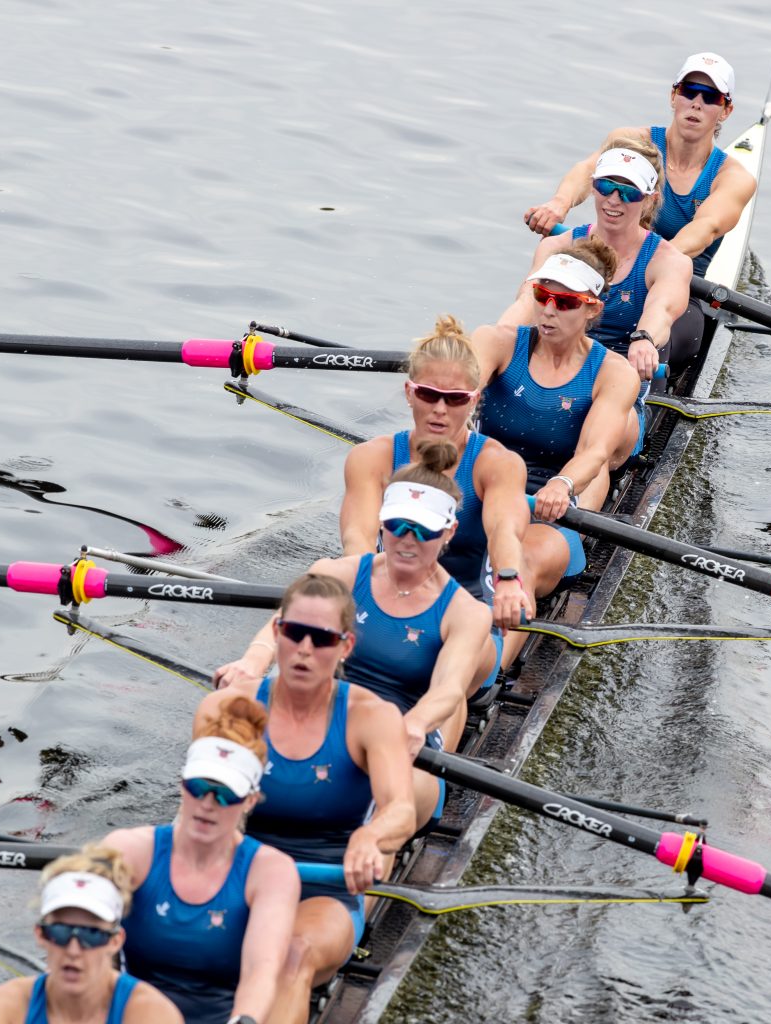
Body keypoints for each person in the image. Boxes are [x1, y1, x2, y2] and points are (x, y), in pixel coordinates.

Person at [199, 572, 416, 1024]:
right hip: (248, 872)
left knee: (289, 955)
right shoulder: (226, 710)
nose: (304, 649)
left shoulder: (372, 717)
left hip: (327, 883)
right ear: (277, 633)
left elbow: (400, 809)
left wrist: (370, 837)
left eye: (321, 639)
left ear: (345, 648)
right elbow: (199, 804)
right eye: (295, 633)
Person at [214, 480, 491, 830]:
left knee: (369, 794)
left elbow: (449, 689)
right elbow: (282, 625)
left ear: (448, 531)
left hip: (400, 731)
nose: (407, 539)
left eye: (423, 529)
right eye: (396, 525)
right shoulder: (337, 574)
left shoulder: (466, 612)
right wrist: (250, 663)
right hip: (318, 710)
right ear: (381, 522)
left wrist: (416, 724)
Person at [522, 52, 757, 367]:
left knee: (657, 334)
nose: (697, 103)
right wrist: (558, 204)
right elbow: (585, 170)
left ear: (726, 110)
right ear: (673, 96)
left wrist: (647, 265)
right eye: (688, 91)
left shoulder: (733, 177)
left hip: (681, 292)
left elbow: (706, 229)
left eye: (711, 97)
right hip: (609, 271)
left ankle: (643, 389)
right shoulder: (632, 143)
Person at [101, 696, 299, 1024]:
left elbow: (260, 974)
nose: (208, 803)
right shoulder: (128, 849)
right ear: (182, 785)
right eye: (198, 787)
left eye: (225, 794)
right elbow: (83, 943)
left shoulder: (271, 871)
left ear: (249, 801)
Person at [472, 239, 642, 615]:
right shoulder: (494, 341)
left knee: (517, 567)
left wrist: (561, 485)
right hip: (484, 486)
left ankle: (487, 667)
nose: (548, 310)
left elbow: (594, 452)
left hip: (551, 505)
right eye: (542, 295)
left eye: (564, 303)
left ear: (591, 309)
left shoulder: (613, 373)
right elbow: (460, 396)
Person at [339, 315, 533, 634]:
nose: (440, 409)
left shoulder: (498, 463)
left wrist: (509, 579)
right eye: (429, 394)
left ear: (474, 400)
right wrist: (364, 590)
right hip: (389, 596)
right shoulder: (370, 458)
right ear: (409, 392)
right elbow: (357, 537)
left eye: (455, 398)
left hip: (469, 609)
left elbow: (504, 531)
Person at [505, 139, 691, 388]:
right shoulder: (555, 247)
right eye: (605, 186)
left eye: (629, 191)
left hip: (623, 371)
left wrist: (644, 339)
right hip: (556, 362)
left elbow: (662, 310)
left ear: (649, 200)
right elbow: (527, 302)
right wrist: (498, 337)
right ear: (593, 187)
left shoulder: (669, 261)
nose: (614, 199)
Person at [0, 845, 182, 1024]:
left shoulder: (152, 1015)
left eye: (91, 935)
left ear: (115, 941)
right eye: (60, 932)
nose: (73, 950)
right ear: (41, 935)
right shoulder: (2, 1009)